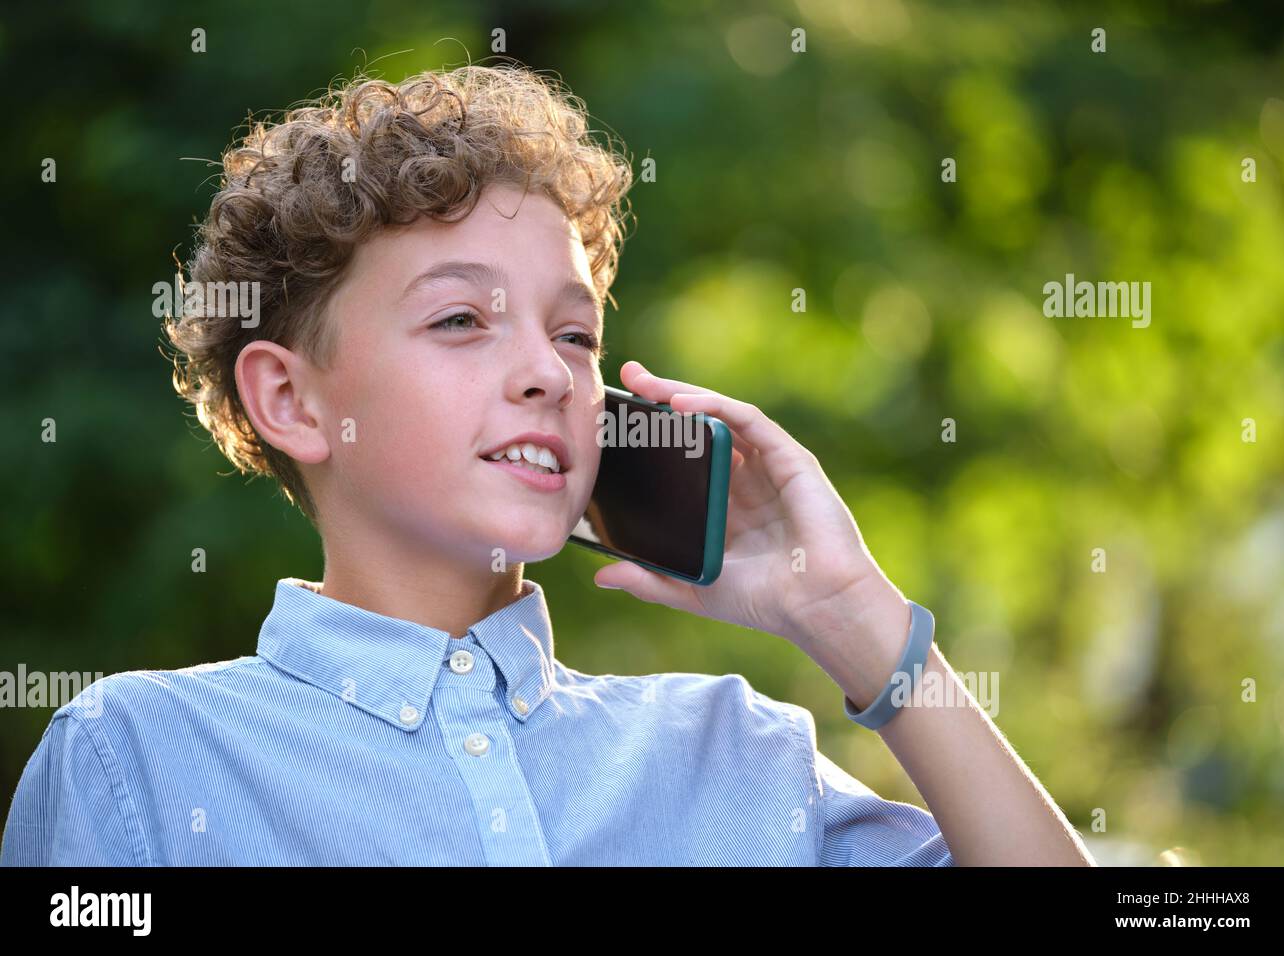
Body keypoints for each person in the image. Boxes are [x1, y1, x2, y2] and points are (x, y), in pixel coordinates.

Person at [0, 63, 1093, 866]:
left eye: (573, 334)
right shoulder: (138, 756)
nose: (548, 372)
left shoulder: (742, 752)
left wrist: (861, 626)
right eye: (464, 318)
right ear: (290, 399)